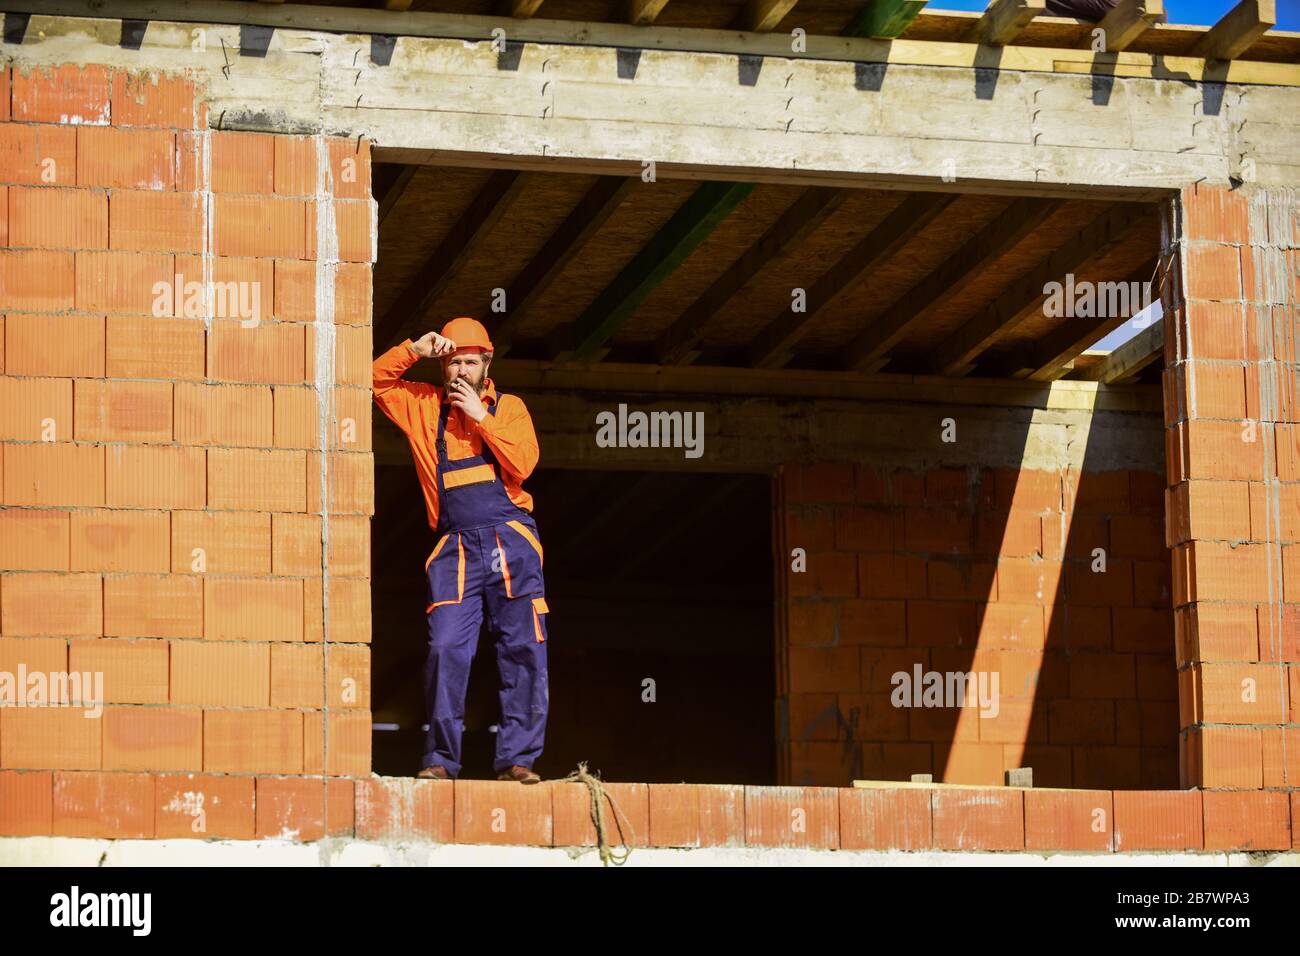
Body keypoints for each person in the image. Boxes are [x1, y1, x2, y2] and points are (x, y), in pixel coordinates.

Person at [372, 317, 549, 784]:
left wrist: (480, 417)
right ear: (442, 366)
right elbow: (372, 380)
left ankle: (518, 761)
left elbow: (524, 464)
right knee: (446, 648)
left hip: (511, 539)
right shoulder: (423, 405)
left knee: (523, 647)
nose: (460, 372)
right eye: (452, 363)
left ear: (486, 366)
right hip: (454, 547)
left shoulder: (509, 408)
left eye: (469, 362)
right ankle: (440, 760)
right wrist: (415, 347)